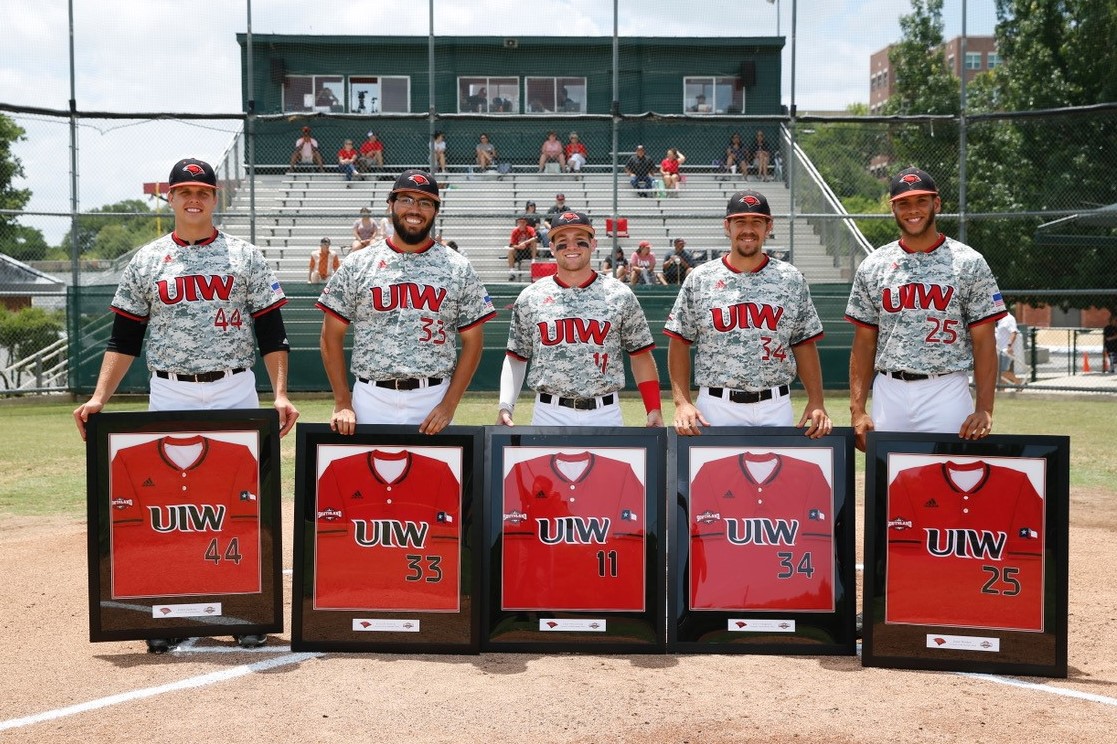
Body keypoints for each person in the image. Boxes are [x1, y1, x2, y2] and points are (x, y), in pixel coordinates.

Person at [73, 158, 299, 653]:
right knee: (175, 502)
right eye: (183, 191)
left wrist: (279, 392)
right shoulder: (148, 260)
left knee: (241, 498)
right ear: (170, 199)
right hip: (170, 389)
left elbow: (271, 332)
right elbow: (124, 336)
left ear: (215, 198)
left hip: (234, 386)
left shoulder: (245, 256)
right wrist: (98, 398)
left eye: (202, 190)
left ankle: (250, 609)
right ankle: (170, 607)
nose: (193, 198)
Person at [317, 169, 496, 435]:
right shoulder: (359, 263)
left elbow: (474, 341)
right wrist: (343, 401)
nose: (415, 209)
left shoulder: (458, 267)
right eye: (406, 200)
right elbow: (331, 335)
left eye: (425, 202)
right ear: (390, 204)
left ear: (435, 210)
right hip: (370, 396)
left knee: (437, 476)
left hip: (433, 396)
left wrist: (449, 404)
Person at [845, 167, 1007, 451]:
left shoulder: (969, 262)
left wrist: (984, 408)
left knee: (946, 476)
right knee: (887, 482)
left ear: (937, 203)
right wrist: (857, 409)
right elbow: (863, 343)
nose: (913, 210)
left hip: (946, 388)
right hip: (889, 388)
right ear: (893, 208)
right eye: (904, 203)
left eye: (922, 201)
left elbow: (984, 342)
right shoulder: (874, 265)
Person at [666, 189, 831, 438]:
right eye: (740, 221)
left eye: (757, 222)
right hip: (716, 405)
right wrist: (682, 402)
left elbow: (803, 344)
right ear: (727, 226)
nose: (748, 229)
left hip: (775, 404)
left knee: (774, 475)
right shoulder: (701, 278)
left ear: (768, 227)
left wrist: (816, 401)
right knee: (715, 476)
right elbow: (679, 341)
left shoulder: (790, 278)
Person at [496, 211, 663, 428]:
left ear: (593, 245)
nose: (572, 247)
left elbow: (640, 355)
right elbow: (516, 357)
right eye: (562, 242)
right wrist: (505, 405)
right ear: (552, 247)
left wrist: (653, 408)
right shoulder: (531, 296)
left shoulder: (620, 294)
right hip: (549, 413)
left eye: (580, 241)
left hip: (605, 412)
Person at [507, 216, 539, 280]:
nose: (522, 224)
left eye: (523, 222)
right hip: (519, 251)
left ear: (526, 223)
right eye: (520, 222)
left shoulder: (530, 229)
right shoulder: (515, 231)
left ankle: (533, 261)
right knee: (510, 250)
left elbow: (535, 238)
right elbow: (512, 245)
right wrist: (519, 246)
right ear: (518, 223)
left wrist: (525, 243)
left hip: (528, 250)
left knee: (534, 243)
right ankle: (511, 272)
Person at [995, 313, 1022, 386]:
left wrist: (1009, 346)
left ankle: (1019, 383)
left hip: (1006, 351)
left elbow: (1014, 332)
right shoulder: (1000, 320)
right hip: (1000, 351)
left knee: (1002, 371)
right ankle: (1002, 389)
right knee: (999, 372)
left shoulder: (1009, 318)